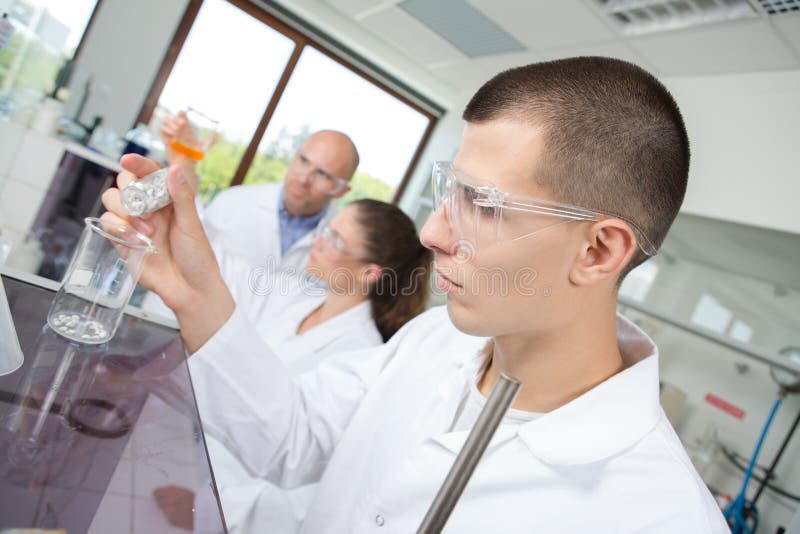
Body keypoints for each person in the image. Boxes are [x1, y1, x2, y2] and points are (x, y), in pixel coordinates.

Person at [102, 56, 729, 532]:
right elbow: (290, 439)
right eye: (449, 192)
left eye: (480, 204)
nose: (432, 233)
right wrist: (195, 293)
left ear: (598, 252)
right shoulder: (432, 340)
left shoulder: (658, 515)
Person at [168, 198, 432, 533]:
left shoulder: (362, 358)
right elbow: (226, 285)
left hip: (218, 510)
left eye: (335, 240)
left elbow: (309, 492)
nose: (317, 241)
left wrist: (205, 509)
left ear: (369, 273)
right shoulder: (296, 299)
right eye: (325, 229)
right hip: (195, 462)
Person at [163, 113, 359, 271]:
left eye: (322, 174)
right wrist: (183, 163)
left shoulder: (343, 248)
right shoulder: (234, 201)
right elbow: (185, 243)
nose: (304, 178)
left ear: (341, 191)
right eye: (303, 161)